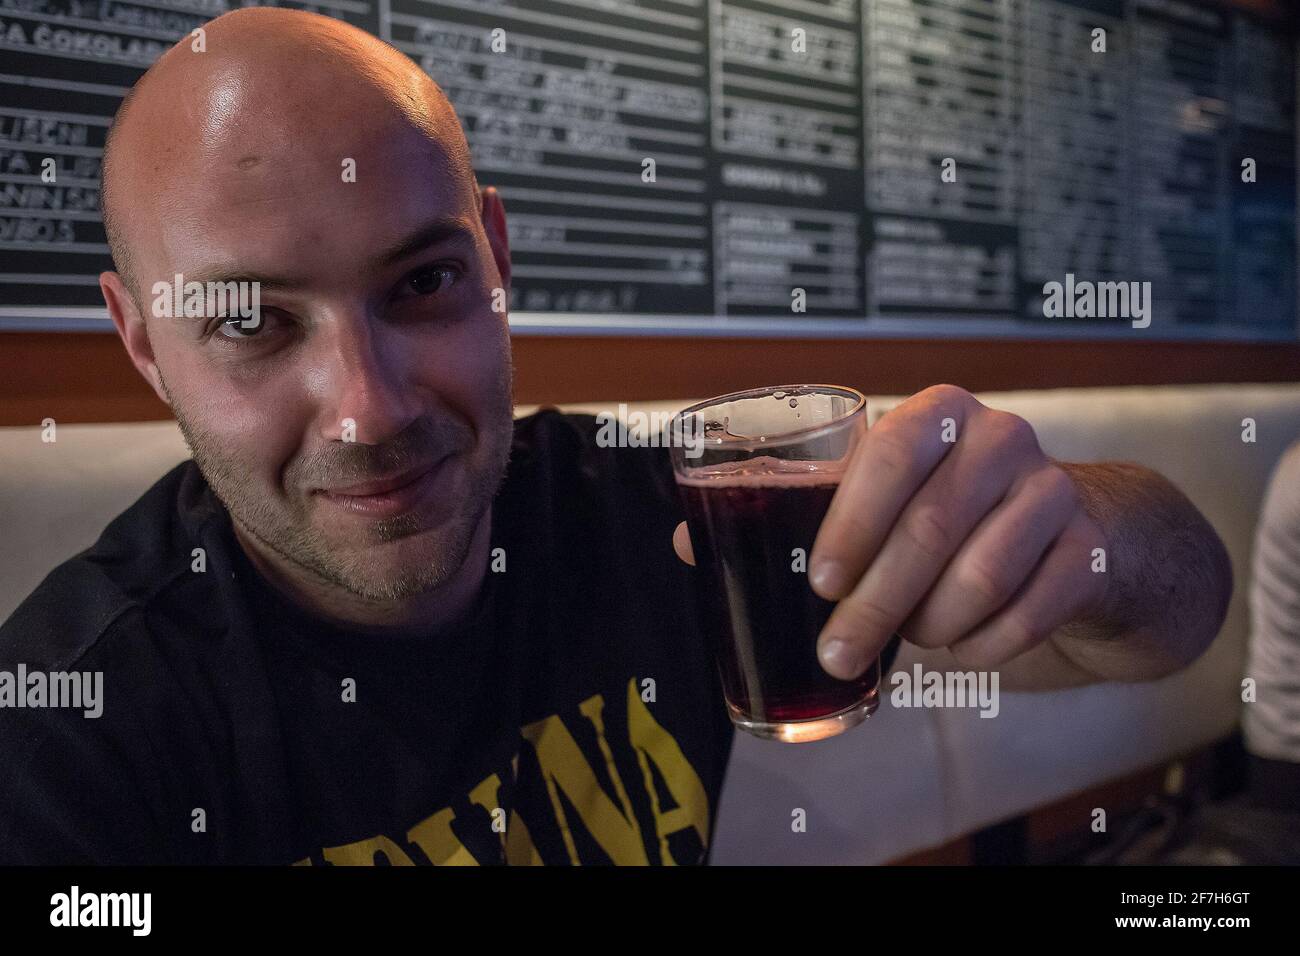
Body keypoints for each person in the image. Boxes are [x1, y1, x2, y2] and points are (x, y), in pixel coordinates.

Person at [0, 8, 1232, 865]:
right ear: (145, 343)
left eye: (423, 284)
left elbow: (1172, 619)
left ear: (494, 257)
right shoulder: (69, 736)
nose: (368, 407)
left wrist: (1083, 531)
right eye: (251, 324)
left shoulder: (669, 513)